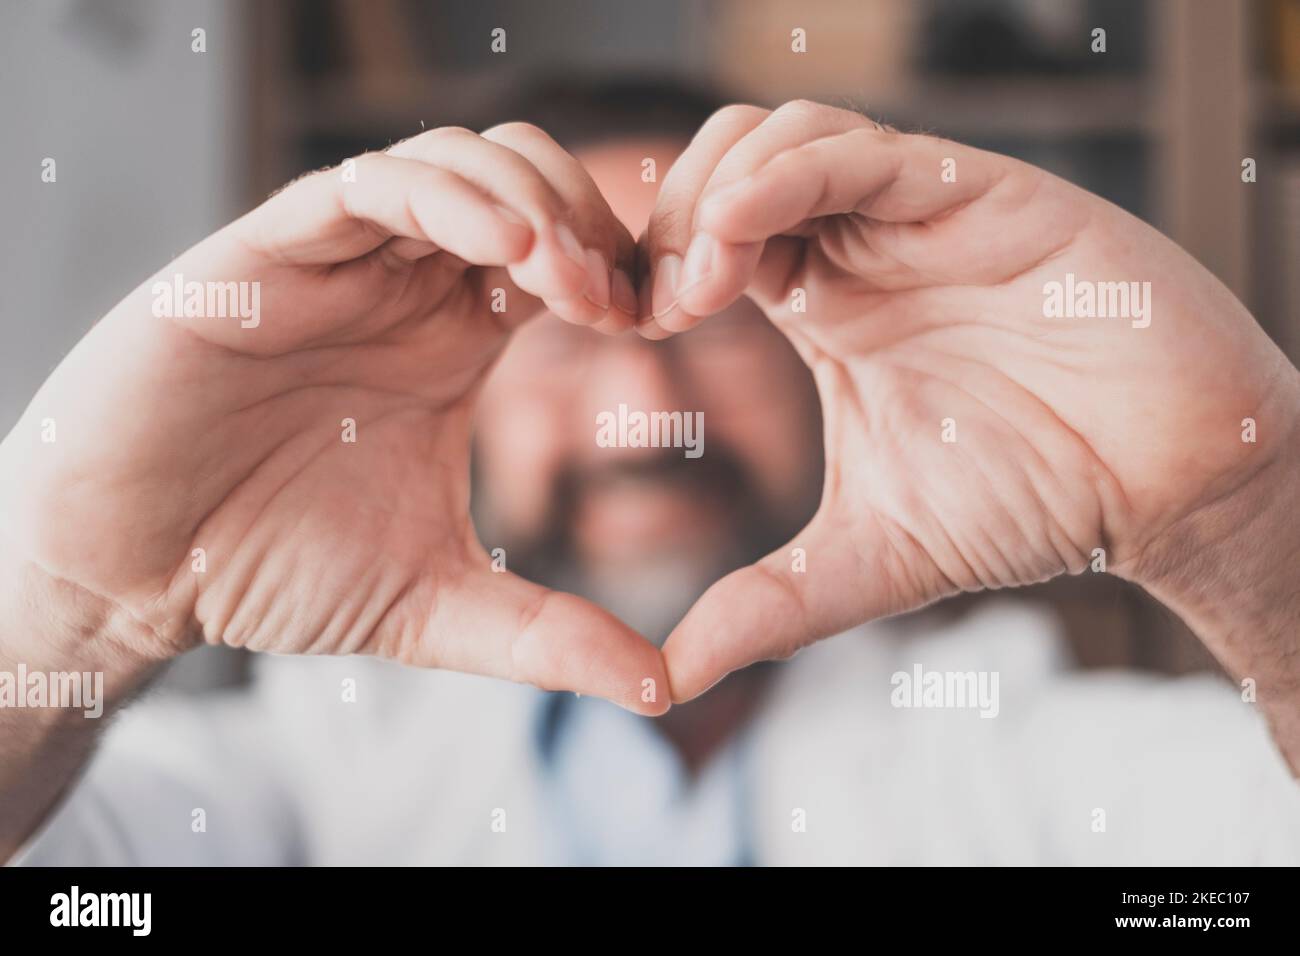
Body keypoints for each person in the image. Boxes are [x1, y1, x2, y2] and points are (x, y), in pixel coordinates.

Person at [2, 81, 1297, 866]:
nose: (645, 415)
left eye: (718, 330)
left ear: (823, 369)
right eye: (561, 339)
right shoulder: (301, 773)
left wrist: (1256, 516)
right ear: (453, 400)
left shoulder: (1019, 750)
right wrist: (70, 611)